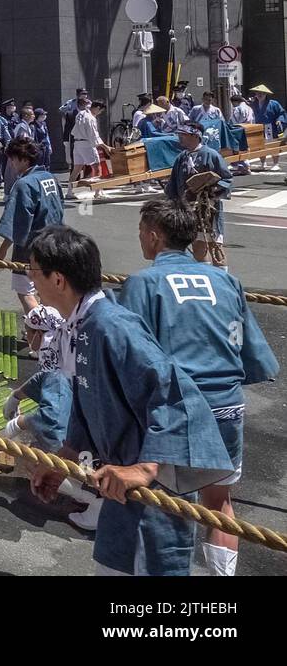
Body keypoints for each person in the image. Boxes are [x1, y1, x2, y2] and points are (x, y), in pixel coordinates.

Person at [27, 226, 234, 576]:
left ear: (58, 279)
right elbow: (89, 399)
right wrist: (63, 458)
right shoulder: (83, 324)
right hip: (118, 482)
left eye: (34, 271)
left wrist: (146, 467)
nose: (31, 281)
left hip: (153, 486)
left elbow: (170, 392)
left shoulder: (112, 326)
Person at [116, 200, 280, 576]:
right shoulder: (225, 279)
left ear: (155, 237)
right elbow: (248, 348)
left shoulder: (144, 282)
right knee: (218, 504)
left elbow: (132, 352)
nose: (140, 238)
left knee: (165, 504)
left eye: (142, 232)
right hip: (227, 404)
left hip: (179, 407)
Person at [0, 137, 65, 313]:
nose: (11, 163)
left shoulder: (24, 184)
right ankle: (54, 327)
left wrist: (2, 250)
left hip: (32, 244)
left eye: (13, 159)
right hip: (56, 240)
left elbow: (19, 221)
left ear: (24, 159)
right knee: (46, 289)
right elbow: (60, 206)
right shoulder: (49, 177)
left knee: (24, 289)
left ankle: (40, 327)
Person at [165, 120, 232, 268]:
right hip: (188, 208)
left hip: (209, 208)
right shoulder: (181, 158)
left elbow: (226, 178)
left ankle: (223, 280)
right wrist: (173, 204)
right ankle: (205, 277)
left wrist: (212, 189)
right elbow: (173, 184)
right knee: (197, 246)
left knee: (215, 246)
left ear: (195, 136)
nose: (180, 138)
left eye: (183, 135)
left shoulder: (211, 155)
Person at [69, 98, 107, 190]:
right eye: (100, 111)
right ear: (97, 108)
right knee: (96, 167)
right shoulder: (90, 118)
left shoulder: (81, 113)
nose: (99, 113)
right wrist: (105, 147)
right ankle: (98, 191)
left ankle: (69, 192)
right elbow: (94, 135)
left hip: (77, 143)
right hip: (86, 144)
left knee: (76, 169)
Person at [249, 84, 284, 171]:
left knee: (273, 145)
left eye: (262, 93)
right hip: (258, 127)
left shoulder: (274, 103)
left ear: (266, 94)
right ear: (255, 94)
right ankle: (263, 163)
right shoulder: (253, 104)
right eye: (258, 93)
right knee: (260, 146)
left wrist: (279, 120)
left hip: (270, 127)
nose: (260, 95)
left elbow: (281, 113)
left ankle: (276, 163)